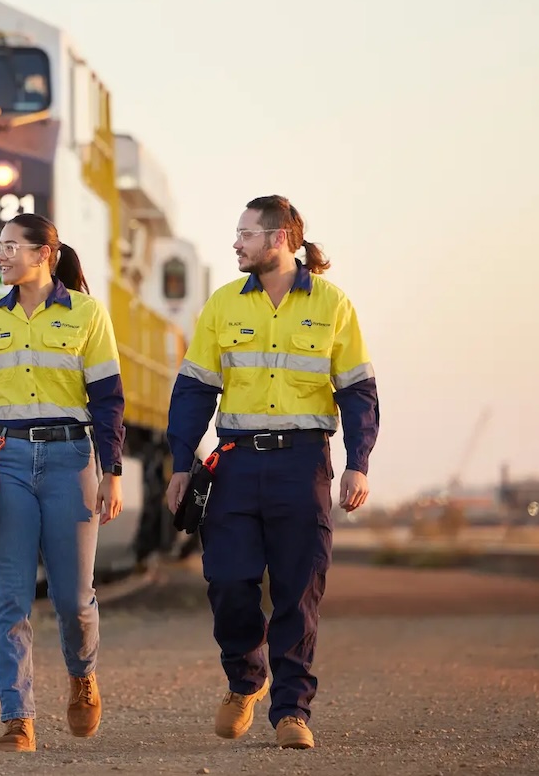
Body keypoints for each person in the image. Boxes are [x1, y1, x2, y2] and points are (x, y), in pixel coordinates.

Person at [164, 194, 379, 750]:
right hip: (235, 464)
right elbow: (193, 389)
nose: (236, 242)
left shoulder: (333, 305)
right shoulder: (222, 306)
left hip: (303, 465)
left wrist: (358, 463)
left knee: (296, 591)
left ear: (279, 237)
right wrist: (180, 463)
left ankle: (291, 712)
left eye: (246, 233)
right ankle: (245, 679)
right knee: (229, 583)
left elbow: (357, 391)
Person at [0, 212, 126, 753]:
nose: (1, 255)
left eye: (11, 247)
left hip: (72, 459)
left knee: (73, 598)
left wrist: (111, 471)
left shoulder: (88, 314)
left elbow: (109, 400)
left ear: (45, 253)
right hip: (6, 460)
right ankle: (17, 718)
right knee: (12, 598)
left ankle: (82, 675)